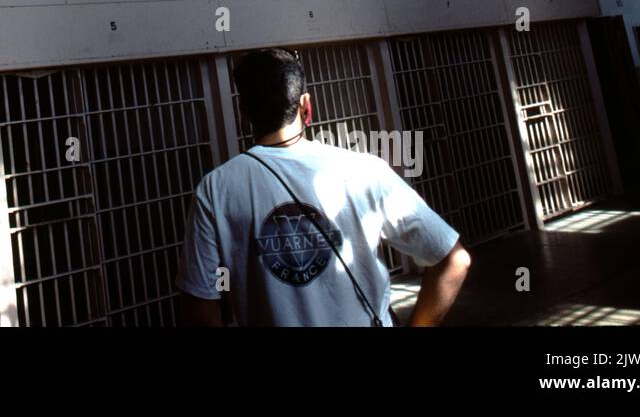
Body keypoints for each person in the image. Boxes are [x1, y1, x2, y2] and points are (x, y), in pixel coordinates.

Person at [176, 48, 471, 326]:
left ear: (244, 114)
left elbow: (200, 304)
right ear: (307, 106)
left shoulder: (216, 189)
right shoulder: (365, 170)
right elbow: (453, 259)